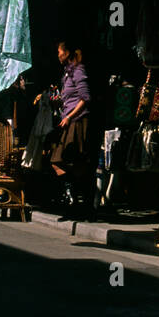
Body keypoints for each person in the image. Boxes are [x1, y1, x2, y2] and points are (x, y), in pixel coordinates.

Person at [44, 42, 92, 215]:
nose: (57, 55)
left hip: (77, 120)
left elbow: (85, 97)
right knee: (63, 160)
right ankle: (74, 195)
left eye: (59, 51)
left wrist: (70, 116)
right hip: (69, 118)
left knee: (65, 159)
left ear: (67, 52)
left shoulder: (78, 70)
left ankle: (75, 196)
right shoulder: (68, 72)